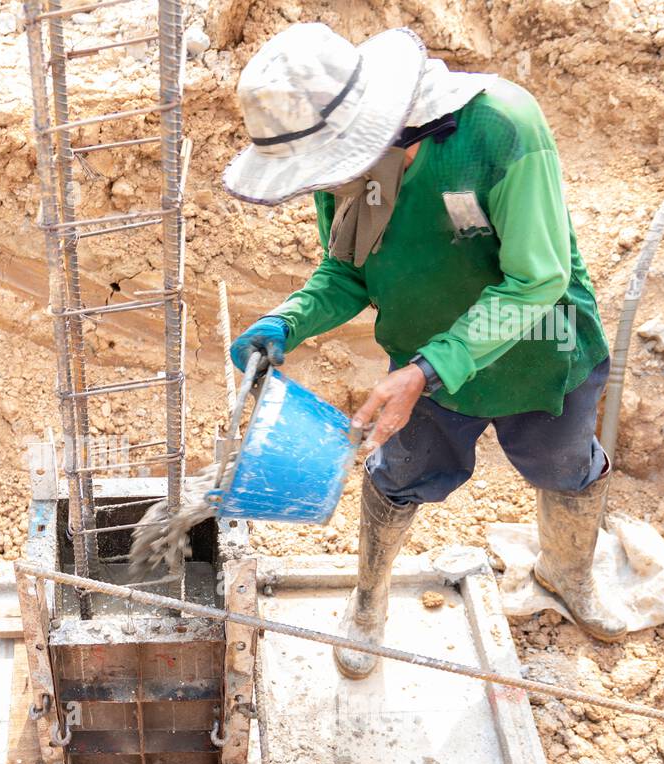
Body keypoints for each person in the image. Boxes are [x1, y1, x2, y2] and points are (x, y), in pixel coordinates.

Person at [221, 23, 625, 679]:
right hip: (423, 362)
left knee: (565, 467)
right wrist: (287, 322)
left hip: (540, 350)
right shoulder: (347, 174)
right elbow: (348, 272)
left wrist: (427, 369)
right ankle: (368, 598)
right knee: (399, 475)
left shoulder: (499, 129)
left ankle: (568, 574)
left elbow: (537, 278)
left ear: (367, 126)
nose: (325, 186)